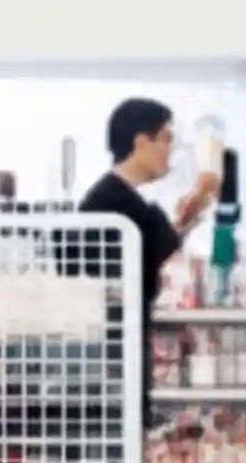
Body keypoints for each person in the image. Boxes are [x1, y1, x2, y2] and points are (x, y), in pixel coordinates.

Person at [72, 98, 219, 432]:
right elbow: (140, 262)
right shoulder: (110, 203)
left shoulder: (118, 199)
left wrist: (187, 217)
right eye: (166, 139)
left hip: (118, 351)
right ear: (141, 142)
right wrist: (189, 213)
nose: (172, 150)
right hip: (109, 357)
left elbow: (153, 249)